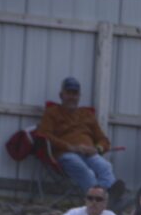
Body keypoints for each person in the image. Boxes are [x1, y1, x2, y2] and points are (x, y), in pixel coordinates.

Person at [36, 77, 125, 207]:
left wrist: (97, 149)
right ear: (61, 95)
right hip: (66, 154)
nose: (72, 97)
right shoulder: (52, 112)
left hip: (89, 154)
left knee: (106, 167)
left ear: (79, 96)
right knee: (87, 172)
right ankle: (101, 203)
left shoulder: (87, 114)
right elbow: (44, 135)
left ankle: (109, 201)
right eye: (69, 93)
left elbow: (103, 140)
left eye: (75, 94)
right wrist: (70, 147)